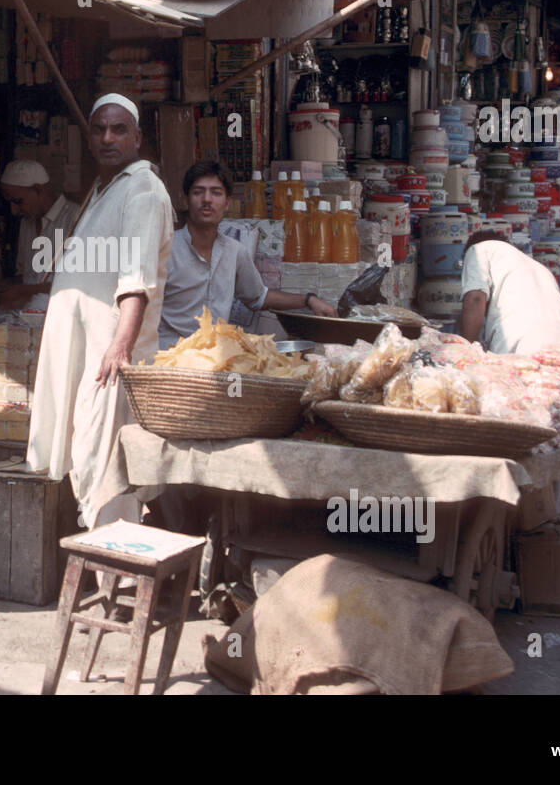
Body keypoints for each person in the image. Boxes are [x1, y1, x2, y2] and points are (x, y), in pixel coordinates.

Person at [26, 94, 173, 529]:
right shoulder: (107, 186)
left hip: (110, 358)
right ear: (88, 137)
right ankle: (106, 568)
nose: (108, 137)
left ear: (138, 137)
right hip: (91, 353)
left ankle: (118, 575)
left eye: (119, 129)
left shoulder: (143, 190)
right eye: (99, 129)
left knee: (106, 463)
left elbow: (137, 279)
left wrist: (120, 346)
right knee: (90, 456)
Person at [159, 160, 337, 348]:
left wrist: (308, 300)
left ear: (227, 203)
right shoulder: (164, 250)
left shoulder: (234, 252)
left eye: (216, 193)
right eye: (198, 192)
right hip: (168, 359)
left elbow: (259, 297)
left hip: (215, 360)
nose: (207, 199)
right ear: (186, 200)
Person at [458, 230, 560, 355]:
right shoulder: (535, 266)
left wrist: (466, 351)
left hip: (525, 341)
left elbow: (475, 298)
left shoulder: (478, 250)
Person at [0, 159, 79, 311]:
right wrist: (9, 285)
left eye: (18, 201)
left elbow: (77, 283)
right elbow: (28, 275)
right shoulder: (27, 222)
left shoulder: (75, 219)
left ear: (38, 190)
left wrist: (23, 290)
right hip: (28, 317)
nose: (14, 210)